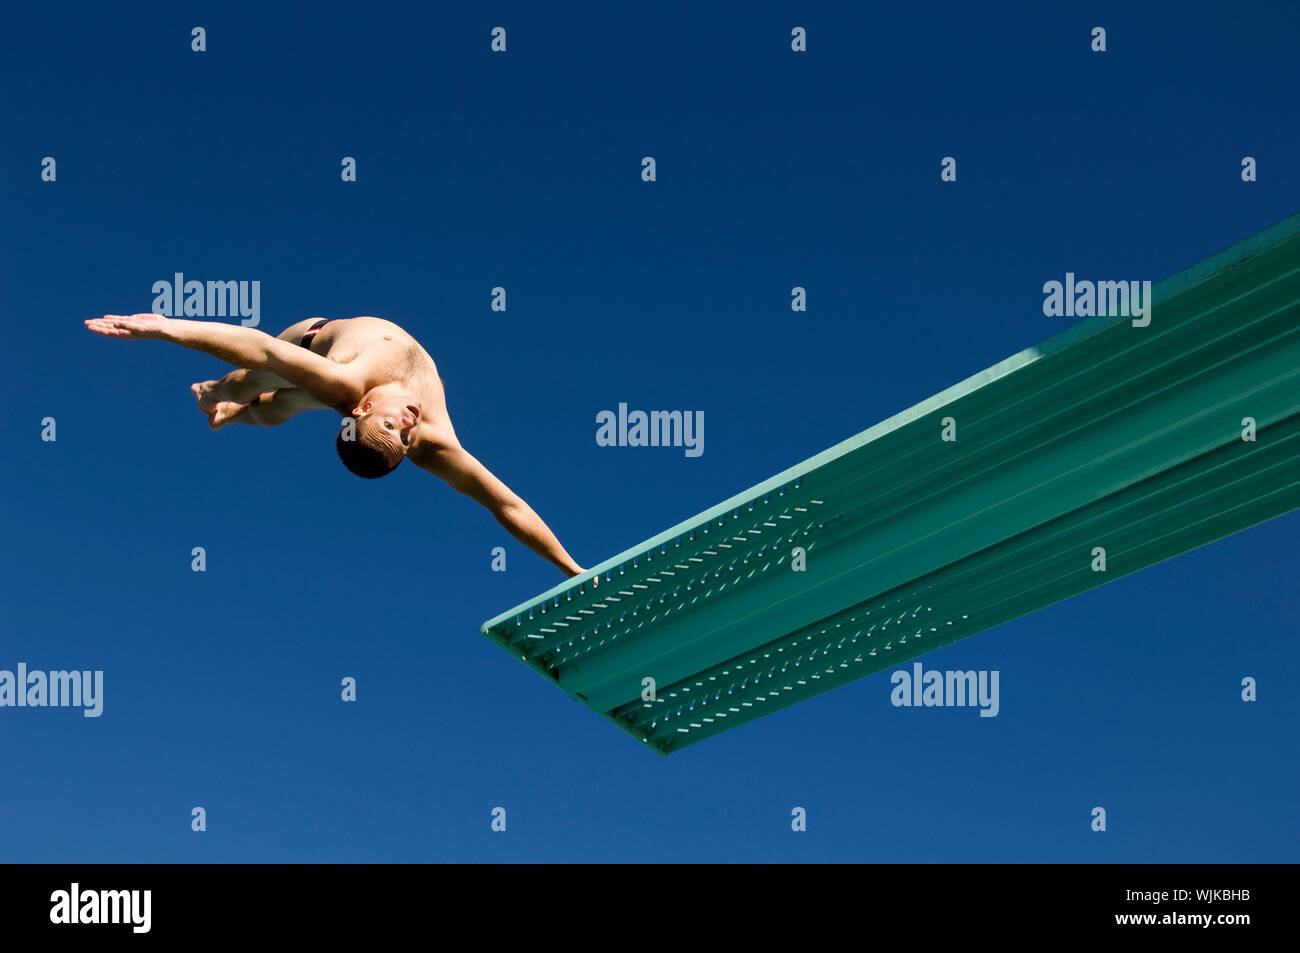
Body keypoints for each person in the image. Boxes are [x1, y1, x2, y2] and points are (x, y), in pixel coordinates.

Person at [85, 313, 586, 578]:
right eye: (405, 436)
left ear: (364, 412)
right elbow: (505, 503)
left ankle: (227, 404)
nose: (410, 425)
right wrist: (572, 570)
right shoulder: (431, 439)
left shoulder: (346, 388)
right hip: (312, 352)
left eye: (396, 430)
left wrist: (167, 328)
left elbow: (260, 345)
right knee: (257, 389)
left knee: (271, 394)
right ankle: (219, 400)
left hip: (314, 355)